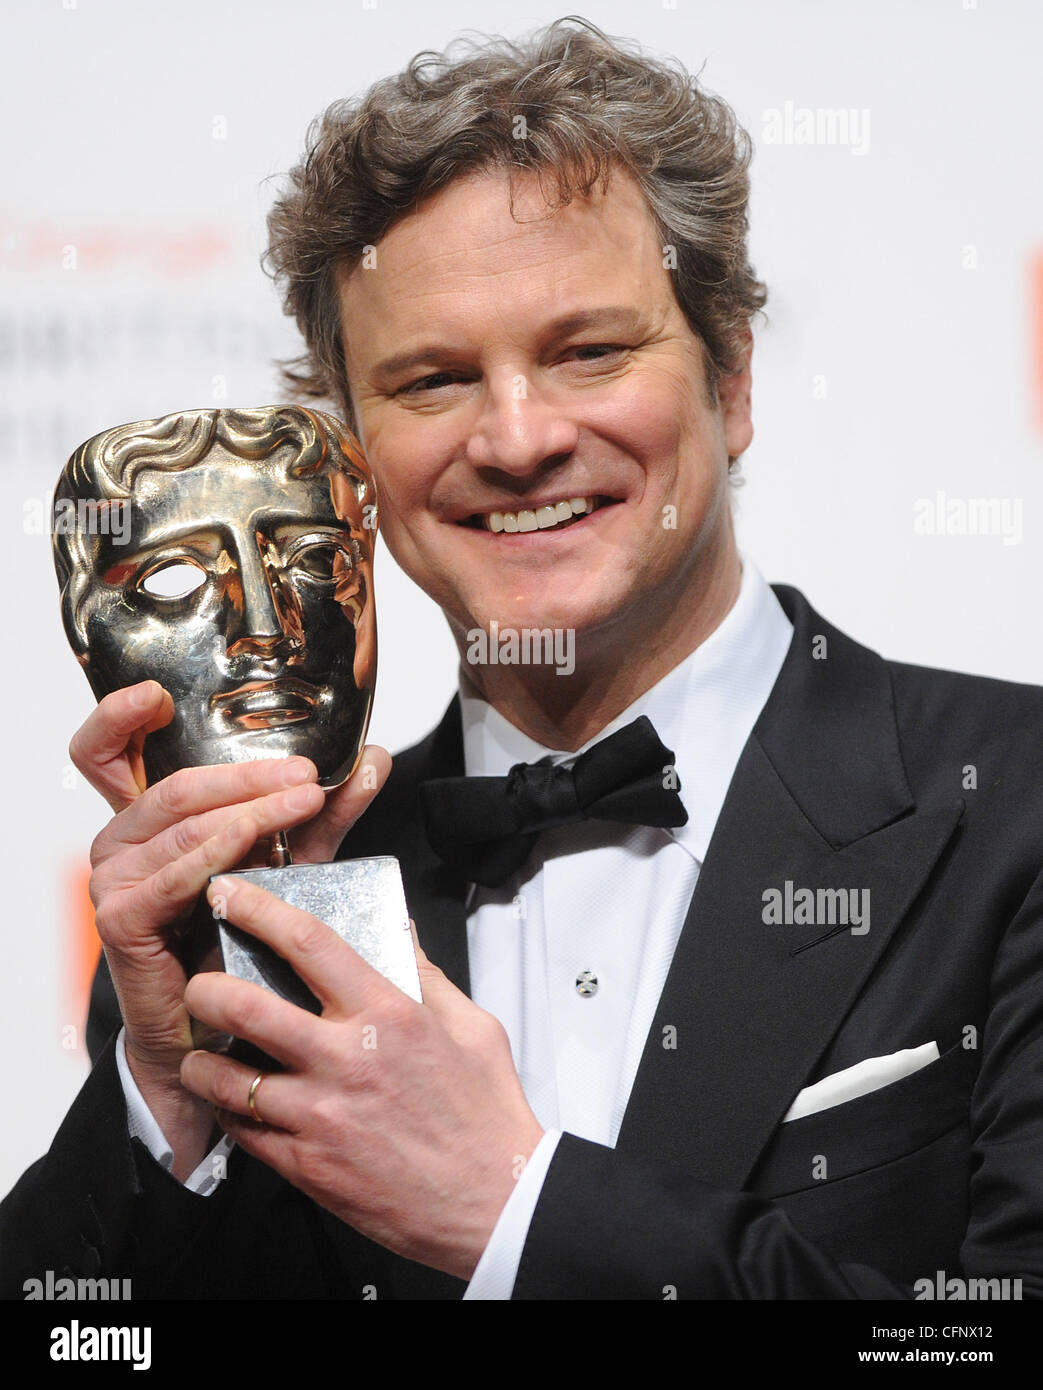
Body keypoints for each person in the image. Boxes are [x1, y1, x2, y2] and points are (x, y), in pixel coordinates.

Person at [3, 15, 1043, 1300]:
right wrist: (166, 1106)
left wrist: (514, 1209)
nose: (515, 438)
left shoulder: (1011, 806)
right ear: (354, 460)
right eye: (432, 379)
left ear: (729, 380)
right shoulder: (237, 905)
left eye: (588, 351)